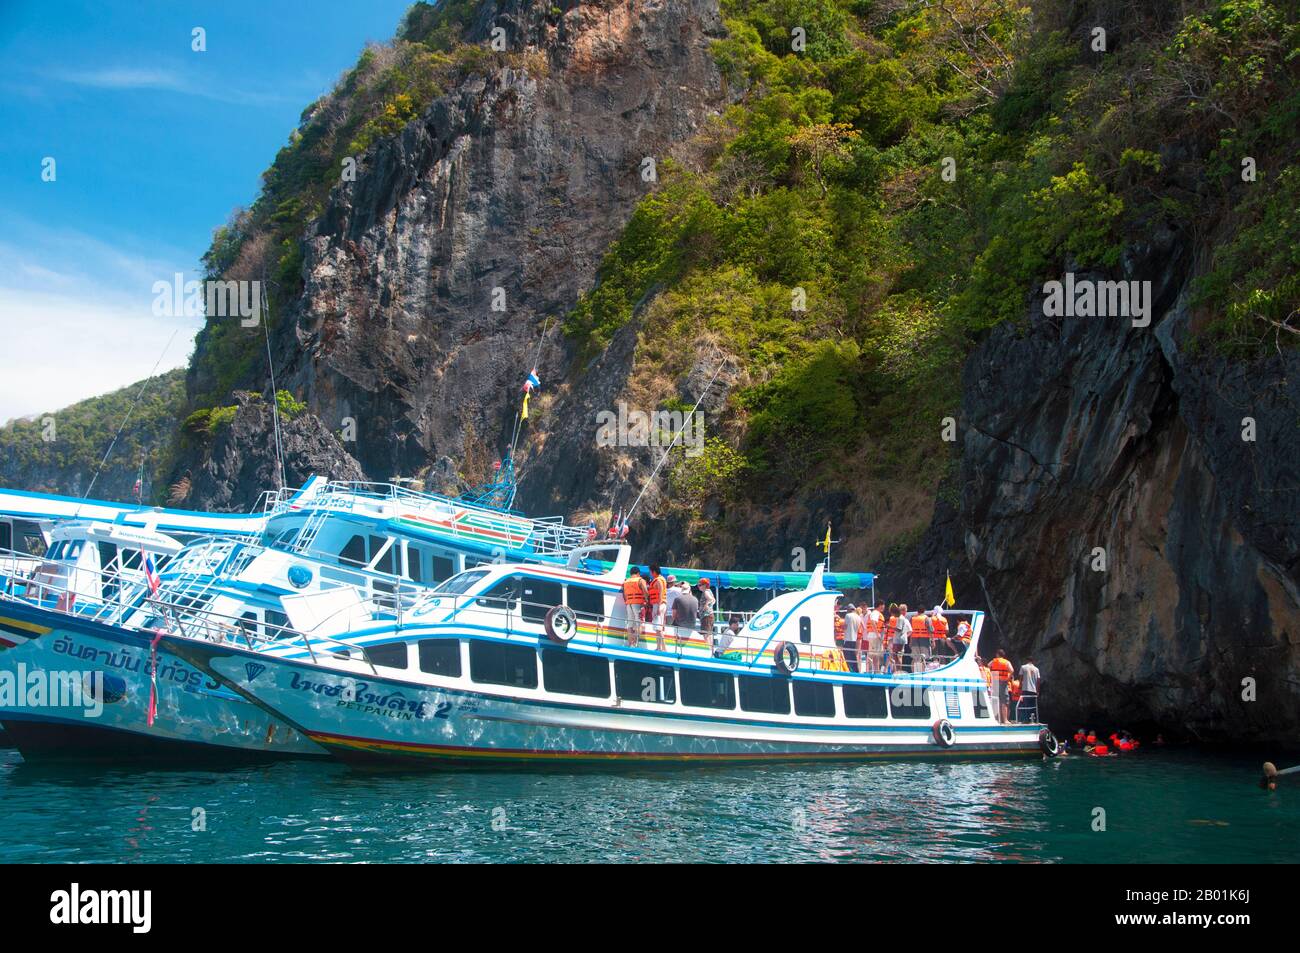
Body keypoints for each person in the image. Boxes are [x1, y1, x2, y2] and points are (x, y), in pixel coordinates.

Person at [621, 566, 649, 648]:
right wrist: (647, 600)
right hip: (638, 603)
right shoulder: (640, 580)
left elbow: (624, 594)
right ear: (638, 573)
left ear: (630, 573)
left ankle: (630, 644)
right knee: (639, 624)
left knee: (630, 624)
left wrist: (627, 602)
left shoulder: (626, 581)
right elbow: (645, 591)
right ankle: (635, 643)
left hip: (628, 604)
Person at [988, 649, 1014, 723]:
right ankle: (1005, 720)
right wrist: (1007, 678)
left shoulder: (993, 661)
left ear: (997, 654)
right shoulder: (1006, 662)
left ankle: (996, 719)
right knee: (1004, 701)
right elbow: (1012, 670)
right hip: (1003, 681)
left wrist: (992, 675)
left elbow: (988, 666)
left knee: (995, 699)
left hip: (995, 681)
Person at [648, 563, 668, 651]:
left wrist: (658, 607)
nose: (650, 573)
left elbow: (660, 594)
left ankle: (662, 648)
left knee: (658, 628)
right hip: (660, 604)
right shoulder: (661, 579)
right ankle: (660, 647)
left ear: (654, 571)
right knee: (658, 628)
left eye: (650, 572)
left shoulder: (658, 581)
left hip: (658, 604)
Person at [671, 580, 698, 645]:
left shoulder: (677, 599)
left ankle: (675, 644)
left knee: (671, 625)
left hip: (680, 624)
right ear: (689, 590)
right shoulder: (695, 599)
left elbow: (674, 615)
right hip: (692, 625)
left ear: (681, 590)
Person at [1017, 656, 1041, 723]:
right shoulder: (1036, 669)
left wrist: (1020, 687)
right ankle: (1033, 720)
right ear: (1033, 661)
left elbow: (1021, 678)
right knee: (1033, 706)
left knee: (1025, 705)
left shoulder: (1023, 667)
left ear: (1027, 660)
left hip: (1026, 689)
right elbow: (1038, 681)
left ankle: (1026, 720)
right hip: (1033, 691)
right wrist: (1037, 691)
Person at [910, 607, 933, 673]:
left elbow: (910, 630)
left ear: (917, 611)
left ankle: (913, 672)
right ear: (924, 611)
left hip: (914, 640)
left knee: (915, 658)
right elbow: (930, 630)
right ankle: (922, 673)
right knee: (924, 658)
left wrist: (910, 641)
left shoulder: (912, 618)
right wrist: (933, 640)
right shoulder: (927, 618)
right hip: (924, 641)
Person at [864, 602, 885, 673]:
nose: (884, 607)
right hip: (874, 636)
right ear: (880, 605)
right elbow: (873, 622)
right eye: (883, 605)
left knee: (876, 655)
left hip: (874, 636)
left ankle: (876, 671)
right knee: (871, 654)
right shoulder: (875, 613)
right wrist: (877, 634)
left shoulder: (876, 613)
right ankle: (869, 671)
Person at [843, 601, 862, 673]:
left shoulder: (848, 615)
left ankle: (850, 670)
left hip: (848, 639)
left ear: (849, 609)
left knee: (847, 656)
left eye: (847, 609)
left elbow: (845, 627)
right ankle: (856, 671)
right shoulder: (858, 617)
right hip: (854, 639)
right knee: (853, 657)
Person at [697, 578, 716, 647]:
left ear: (705, 585)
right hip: (709, 615)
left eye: (700, 585)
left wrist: (706, 605)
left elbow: (710, 599)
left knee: (706, 634)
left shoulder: (706, 592)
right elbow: (714, 600)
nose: (698, 587)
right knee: (709, 634)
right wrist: (709, 605)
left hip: (706, 616)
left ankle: (708, 649)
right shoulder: (709, 591)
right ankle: (710, 649)